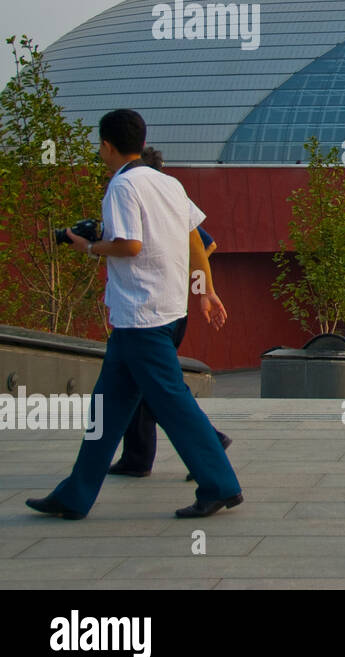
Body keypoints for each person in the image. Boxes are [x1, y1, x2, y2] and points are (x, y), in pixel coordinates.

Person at [26, 109, 242, 520]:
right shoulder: (169, 183)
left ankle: (220, 485)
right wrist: (206, 289)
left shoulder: (122, 187)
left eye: (100, 147)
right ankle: (74, 495)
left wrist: (88, 247)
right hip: (159, 312)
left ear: (107, 145)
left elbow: (130, 245)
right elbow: (193, 236)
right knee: (106, 410)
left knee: (174, 405)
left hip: (142, 316)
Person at [108, 146, 232, 479]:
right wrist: (202, 290)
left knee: (161, 387)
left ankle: (210, 447)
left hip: (154, 312)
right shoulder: (161, 193)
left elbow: (201, 244)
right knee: (145, 383)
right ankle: (137, 457)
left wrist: (198, 288)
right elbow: (200, 244)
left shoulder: (148, 193)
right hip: (160, 309)